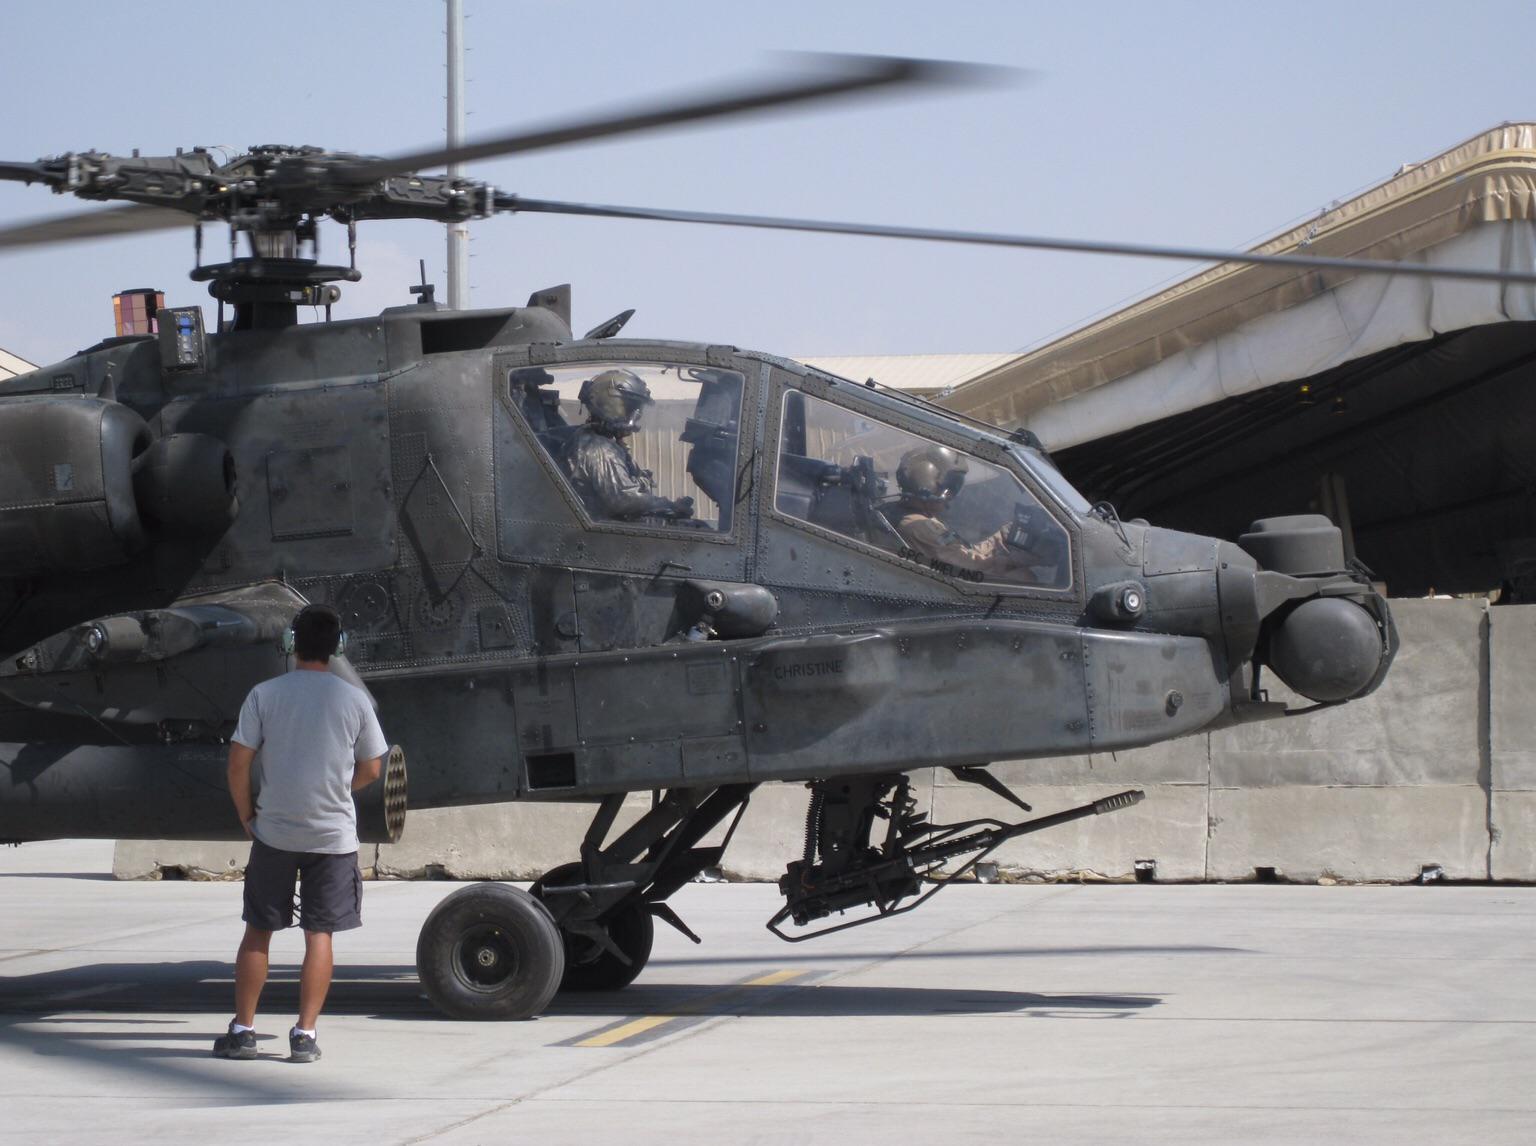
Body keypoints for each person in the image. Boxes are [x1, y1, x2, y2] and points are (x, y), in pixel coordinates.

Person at [212, 603, 387, 1064]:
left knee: (258, 933)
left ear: (291, 644)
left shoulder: (264, 694)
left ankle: (243, 1030)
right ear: (338, 648)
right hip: (332, 838)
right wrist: (338, 789)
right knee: (319, 934)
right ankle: (304, 1036)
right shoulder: (354, 700)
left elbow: (238, 763)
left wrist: (246, 813)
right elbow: (372, 767)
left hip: (275, 832)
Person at [884, 445, 1060, 583]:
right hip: (957, 588)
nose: (951, 496)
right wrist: (1018, 559)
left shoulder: (919, 517)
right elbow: (971, 568)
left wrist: (1005, 534)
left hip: (960, 573)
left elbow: (963, 554)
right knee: (1023, 577)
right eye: (949, 487)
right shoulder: (918, 527)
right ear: (926, 485)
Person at [563, 368, 697, 522]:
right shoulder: (600, 449)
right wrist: (669, 505)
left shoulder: (595, 440)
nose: (636, 415)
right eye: (631, 407)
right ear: (610, 403)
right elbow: (623, 498)